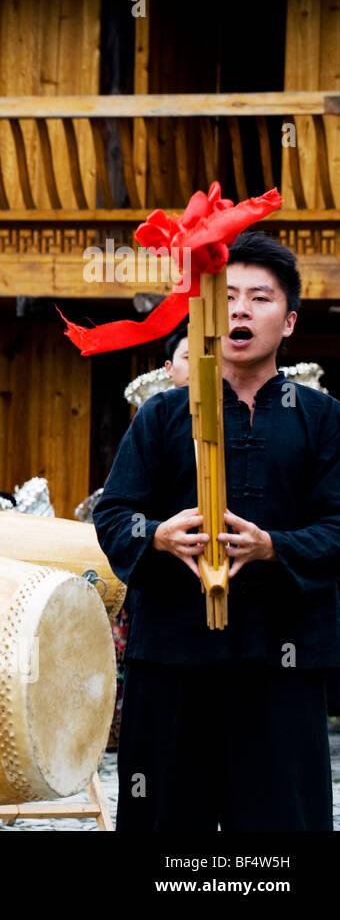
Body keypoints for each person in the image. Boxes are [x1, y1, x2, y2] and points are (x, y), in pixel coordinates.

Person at [93, 231, 340, 830]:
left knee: (284, 823)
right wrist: (155, 535)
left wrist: (274, 546)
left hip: (284, 659)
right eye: (227, 296)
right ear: (205, 313)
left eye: (260, 298)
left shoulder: (323, 418)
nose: (240, 309)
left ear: (289, 322)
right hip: (176, 657)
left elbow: (337, 525)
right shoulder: (163, 415)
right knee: (170, 822)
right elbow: (113, 511)